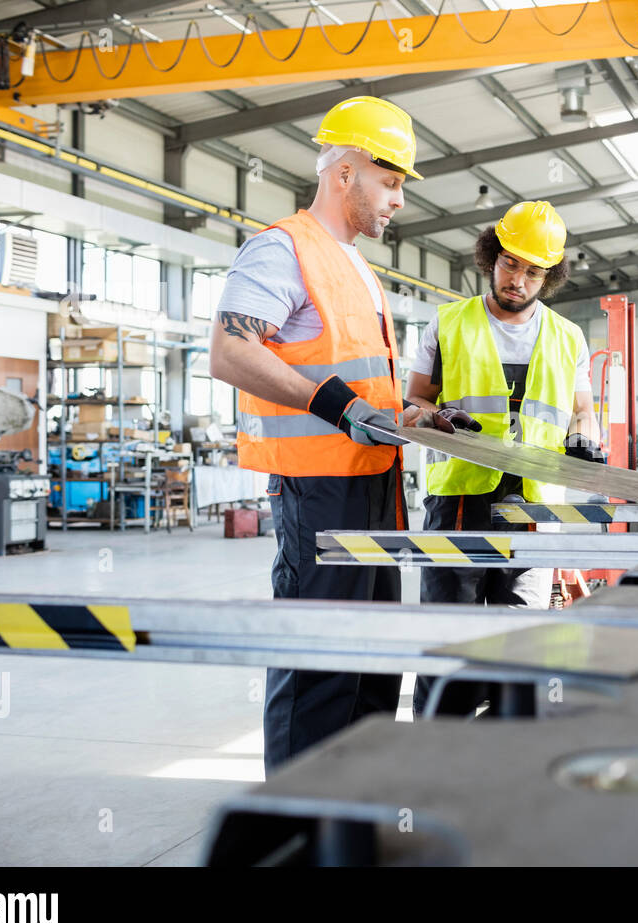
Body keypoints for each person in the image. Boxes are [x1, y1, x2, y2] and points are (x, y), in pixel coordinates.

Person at [209, 95, 447, 773]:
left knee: (373, 663)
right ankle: (295, 817)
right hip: (318, 495)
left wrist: (410, 413)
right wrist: (340, 407)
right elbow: (230, 352)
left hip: (376, 489)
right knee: (319, 665)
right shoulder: (283, 248)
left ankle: (353, 806)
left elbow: (358, 383)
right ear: (345, 173)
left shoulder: (358, 266)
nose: (399, 200)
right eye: (390, 182)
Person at [404, 201, 606, 712]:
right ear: (491, 257)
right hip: (458, 499)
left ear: (549, 277)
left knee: (523, 640)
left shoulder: (568, 338)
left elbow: (584, 411)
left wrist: (586, 437)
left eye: (533, 272)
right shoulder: (447, 324)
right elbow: (414, 400)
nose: (518, 280)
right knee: (452, 639)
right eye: (510, 263)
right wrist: (436, 416)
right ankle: (440, 743)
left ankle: (506, 743)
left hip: (535, 505)